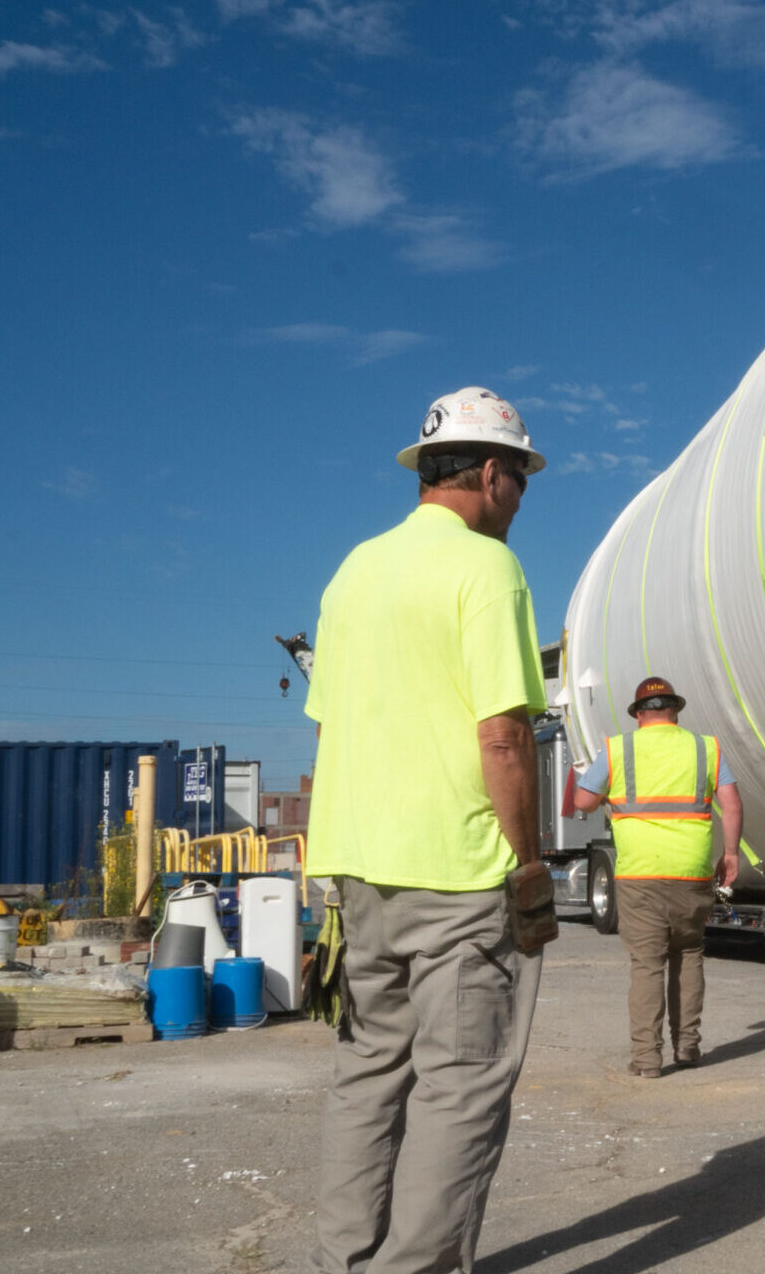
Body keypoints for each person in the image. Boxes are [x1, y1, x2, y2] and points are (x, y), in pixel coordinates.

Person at [304, 385, 550, 1274]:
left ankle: (345, 1261)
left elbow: (333, 728)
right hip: (459, 872)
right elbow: (504, 735)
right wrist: (529, 866)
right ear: (491, 473)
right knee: (461, 1088)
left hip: (360, 875)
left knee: (368, 1072)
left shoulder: (353, 572)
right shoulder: (486, 569)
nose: (520, 502)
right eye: (520, 483)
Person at [569, 675, 743, 1077]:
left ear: (638, 715)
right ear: (675, 710)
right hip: (692, 871)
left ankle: (647, 1060)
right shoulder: (706, 747)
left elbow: (582, 800)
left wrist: (600, 788)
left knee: (647, 964)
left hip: (640, 874)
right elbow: (731, 802)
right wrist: (730, 853)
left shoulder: (617, 748)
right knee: (689, 954)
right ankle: (688, 1048)